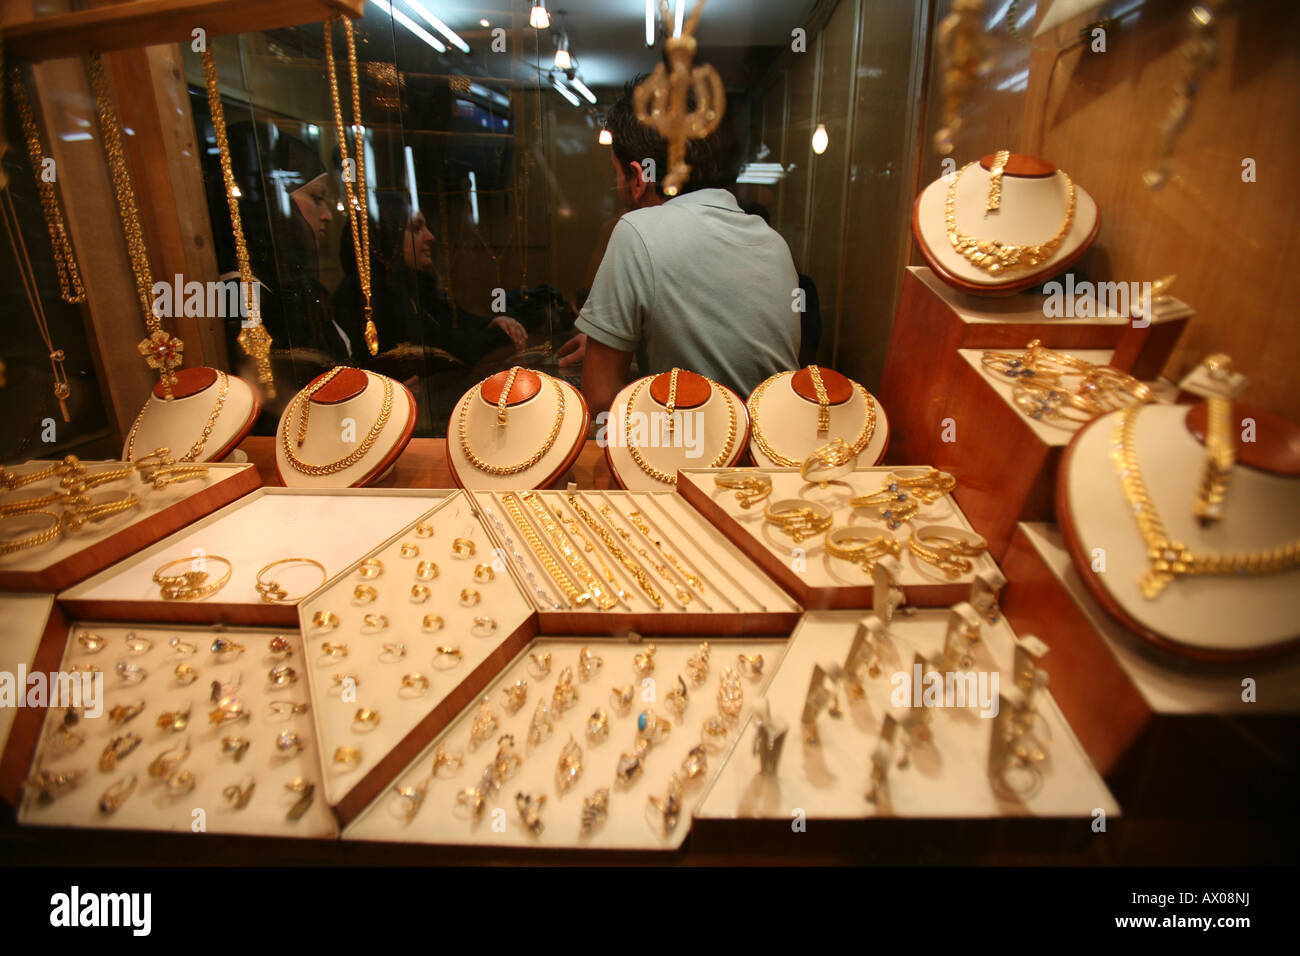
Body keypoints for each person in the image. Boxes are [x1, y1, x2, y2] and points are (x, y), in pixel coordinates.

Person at [562, 79, 800, 413]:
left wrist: (614, 355)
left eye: (616, 173)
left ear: (638, 176)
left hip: (694, 456)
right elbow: (722, 335)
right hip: (773, 454)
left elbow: (601, 402)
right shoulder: (774, 242)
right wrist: (617, 338)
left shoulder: (635, 230)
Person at [332, 190, 527, 368]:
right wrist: (501, 336)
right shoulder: (369, 295)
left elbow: (452, 321)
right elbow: (442, 345)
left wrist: (493, 322)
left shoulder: (414, 284)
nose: (430, 237)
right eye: (417, 229)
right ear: (389, 236)